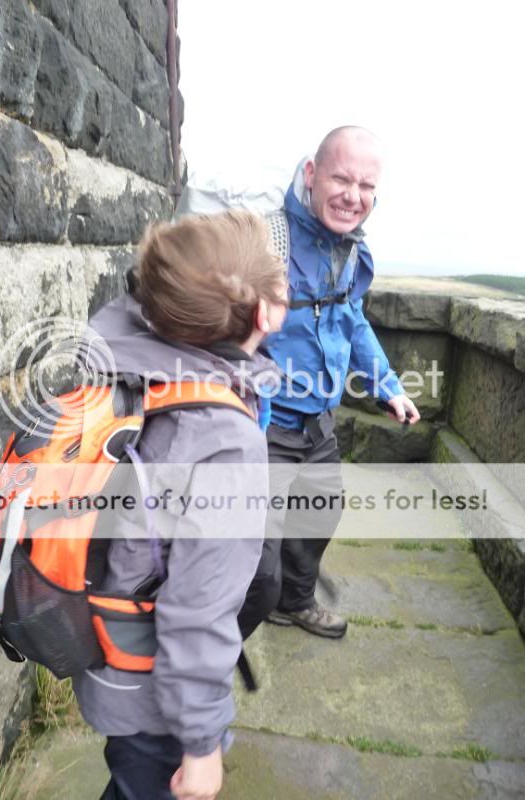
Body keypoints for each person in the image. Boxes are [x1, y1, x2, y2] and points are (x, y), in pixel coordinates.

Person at [72, 211, 288, 800]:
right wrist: (200, 744)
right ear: (264, 315)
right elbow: (198, 610)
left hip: (108, 646)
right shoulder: (223, 438)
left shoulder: (136, 363)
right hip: (155, 696)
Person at [238, 126, 420, 641]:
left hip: (318, 423)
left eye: (366, 186)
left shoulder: (350, 250)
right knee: (255, 560)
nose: (353, 196)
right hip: (263, 423)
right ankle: (211, 647)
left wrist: (388, 386)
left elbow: (352, 321)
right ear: (312, 174)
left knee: (319, 513)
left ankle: (294, 603)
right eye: (342, 179)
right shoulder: (266, 240)